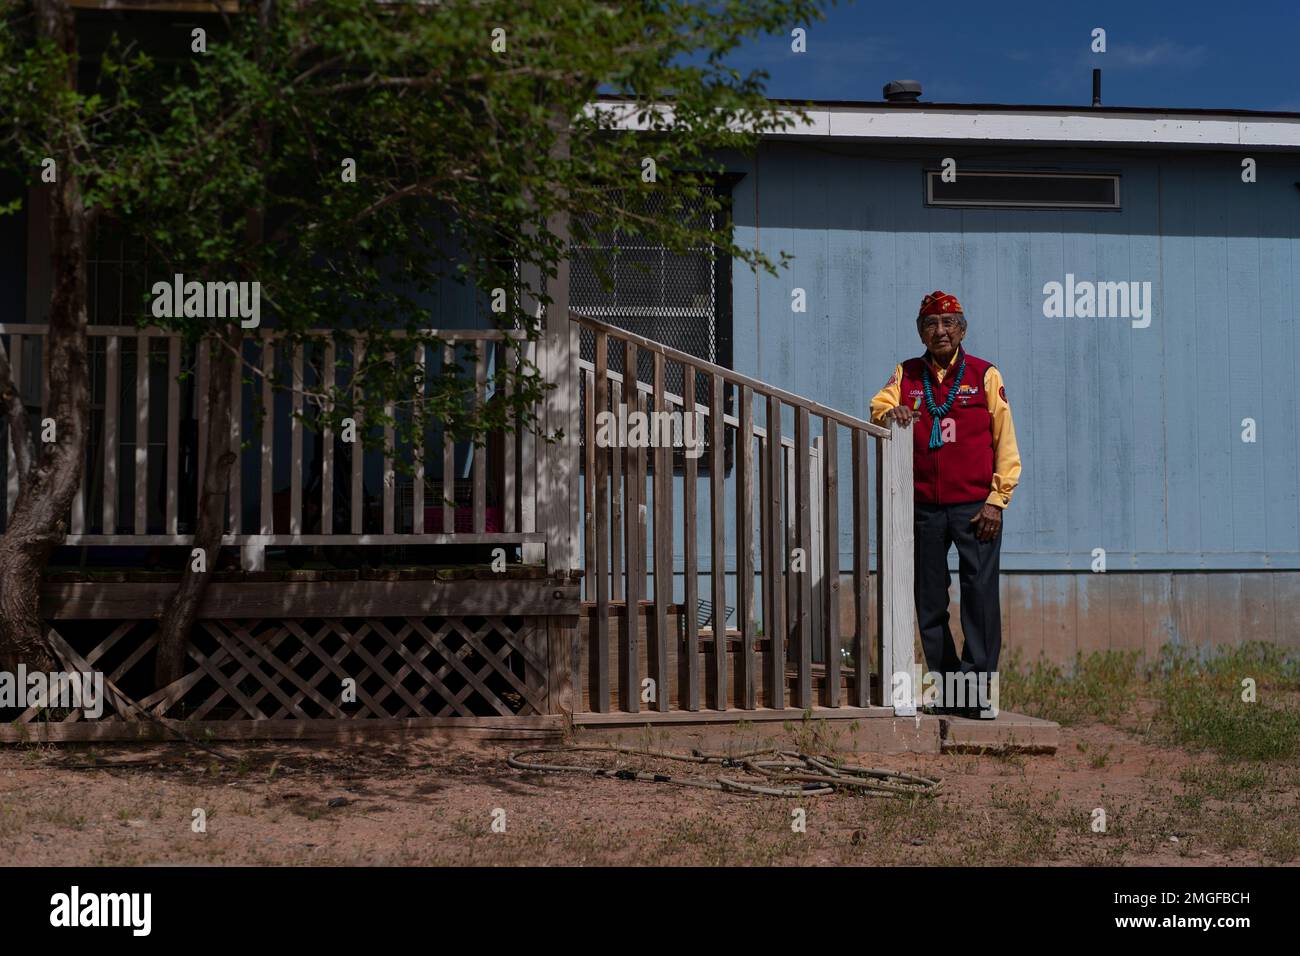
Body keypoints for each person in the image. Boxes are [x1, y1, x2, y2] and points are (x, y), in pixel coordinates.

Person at [870, 291, 1021, 718]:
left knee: (980, 599)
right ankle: (951, 690)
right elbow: (877, 406)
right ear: (921, 331)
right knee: (930, 600)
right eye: (931, 324)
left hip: (977, 508)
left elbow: (1005, 442)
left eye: (949, 322)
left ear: (963, 329)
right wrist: (892, 413)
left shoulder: (984, 374)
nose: (940, 331)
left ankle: (978, 695)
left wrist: (998, 499)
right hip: (923, 508)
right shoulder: (908, 373)